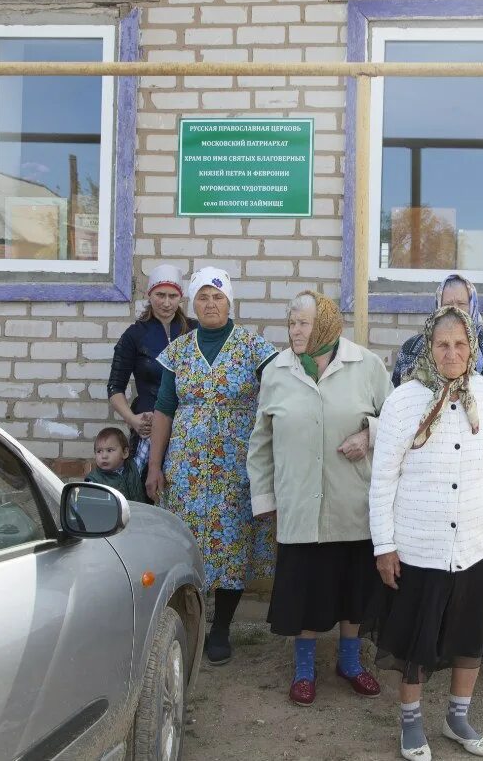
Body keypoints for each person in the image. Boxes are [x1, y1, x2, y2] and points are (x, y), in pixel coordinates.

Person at [364, 307, 483, 761]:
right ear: (429, 348)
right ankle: (411, 722)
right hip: (419, 545)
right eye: (442, 344)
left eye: (460, 344)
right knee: (417, 638)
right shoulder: (404, 400)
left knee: (470, 634)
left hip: (476, 541)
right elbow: (383, 478)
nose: (451, 353)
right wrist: (384, 546)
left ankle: (457, 717)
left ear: (472, 347)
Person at [248, 290, 392, 706]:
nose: (295, 331)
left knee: (352, 589)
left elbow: (398, 420)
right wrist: (265, 498)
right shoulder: (277, 371)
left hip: (352, 499)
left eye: (304, 323)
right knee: (304, 588)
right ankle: (304, 668)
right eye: (292, 323)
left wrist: (368, 435)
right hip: (299, 502)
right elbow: (261, 442)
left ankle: (350, 661)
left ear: (325, 325)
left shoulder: (366, 365)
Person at [146, 266, 278, 666]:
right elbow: (164, 408)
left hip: (236, 467)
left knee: (232, 543)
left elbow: (279, 399)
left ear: (229, 301)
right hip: (185, 467)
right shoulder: (180, 351)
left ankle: (221, 628)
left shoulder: (254, 348)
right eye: (202, 297)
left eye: (217, 297)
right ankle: (192, 622)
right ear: (192, 304)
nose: (210, 304)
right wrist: (154, 466)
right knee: (187, 541)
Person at [108, 263, 191, 467]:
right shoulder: (135, 335)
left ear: (180, 297)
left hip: (188, 426)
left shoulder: (194, 332)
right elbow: (115, 387)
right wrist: (133, 420)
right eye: (160, 295)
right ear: (149, 294)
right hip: (149, 425)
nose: (166, 302)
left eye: (173, 296)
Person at [391, 274, 483, 386]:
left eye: (461, 303)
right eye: (448, 304)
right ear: (438, 306)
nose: (455, 310)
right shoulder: (411, 349)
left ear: (472, 306)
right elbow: (398, 391)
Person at [85, 426, 147, 503]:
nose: (104, 456)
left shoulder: (134, 467)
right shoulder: (93, 481)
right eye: (99, 451)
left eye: (110, 450)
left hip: (139, 510)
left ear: (125, 453)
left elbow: (146, 446)